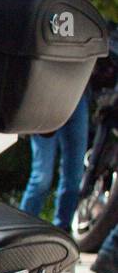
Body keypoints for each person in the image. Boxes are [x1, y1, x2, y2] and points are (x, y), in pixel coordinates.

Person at [20, 90, 89, 229]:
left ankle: (62, 232)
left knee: (74, 177)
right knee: (42, 178)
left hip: (76, 97)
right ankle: (20, 229)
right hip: (45, 98)